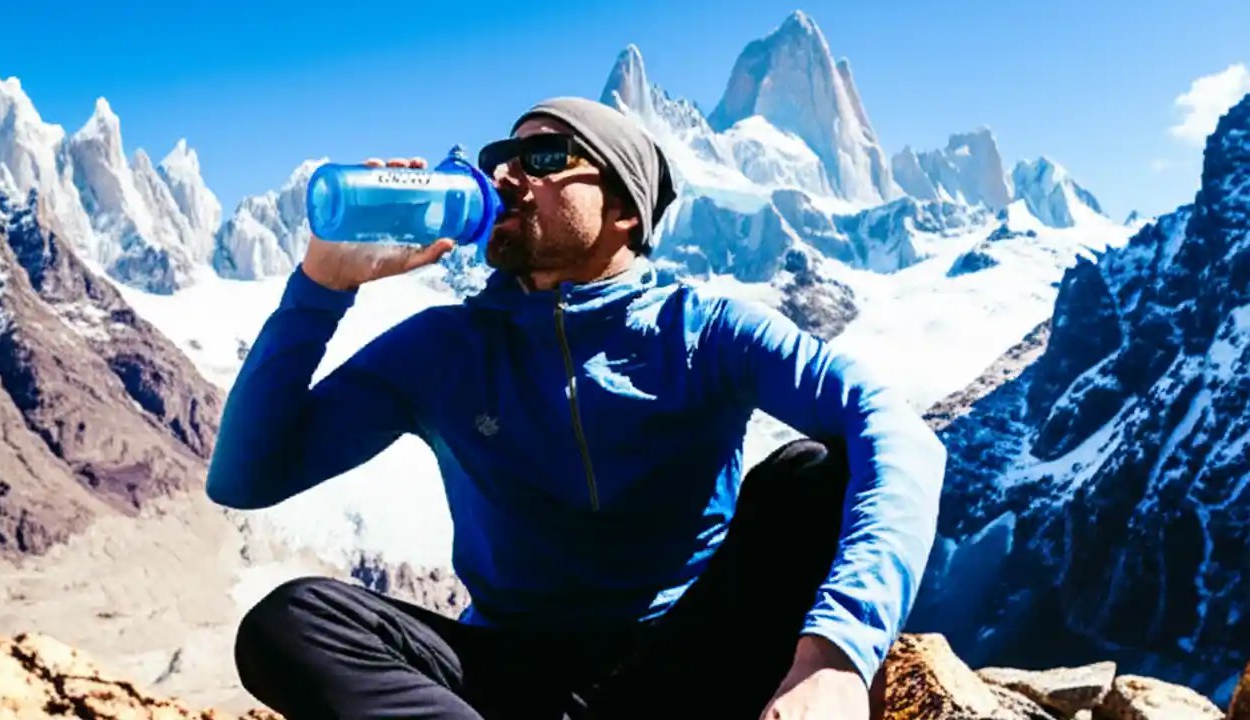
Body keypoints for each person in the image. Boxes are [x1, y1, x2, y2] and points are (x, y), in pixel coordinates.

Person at [206, 96, 946, 720]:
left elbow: (894, 430)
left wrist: (838, 656)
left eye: (545, 158)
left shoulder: (705, 330)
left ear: (624, 209)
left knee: (814, 472)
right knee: (292, 621)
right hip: (508, 673)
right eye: (502, 157)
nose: (504, 176)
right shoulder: (445, 347)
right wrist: (322, 285)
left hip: (688, 660)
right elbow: (247, 477)